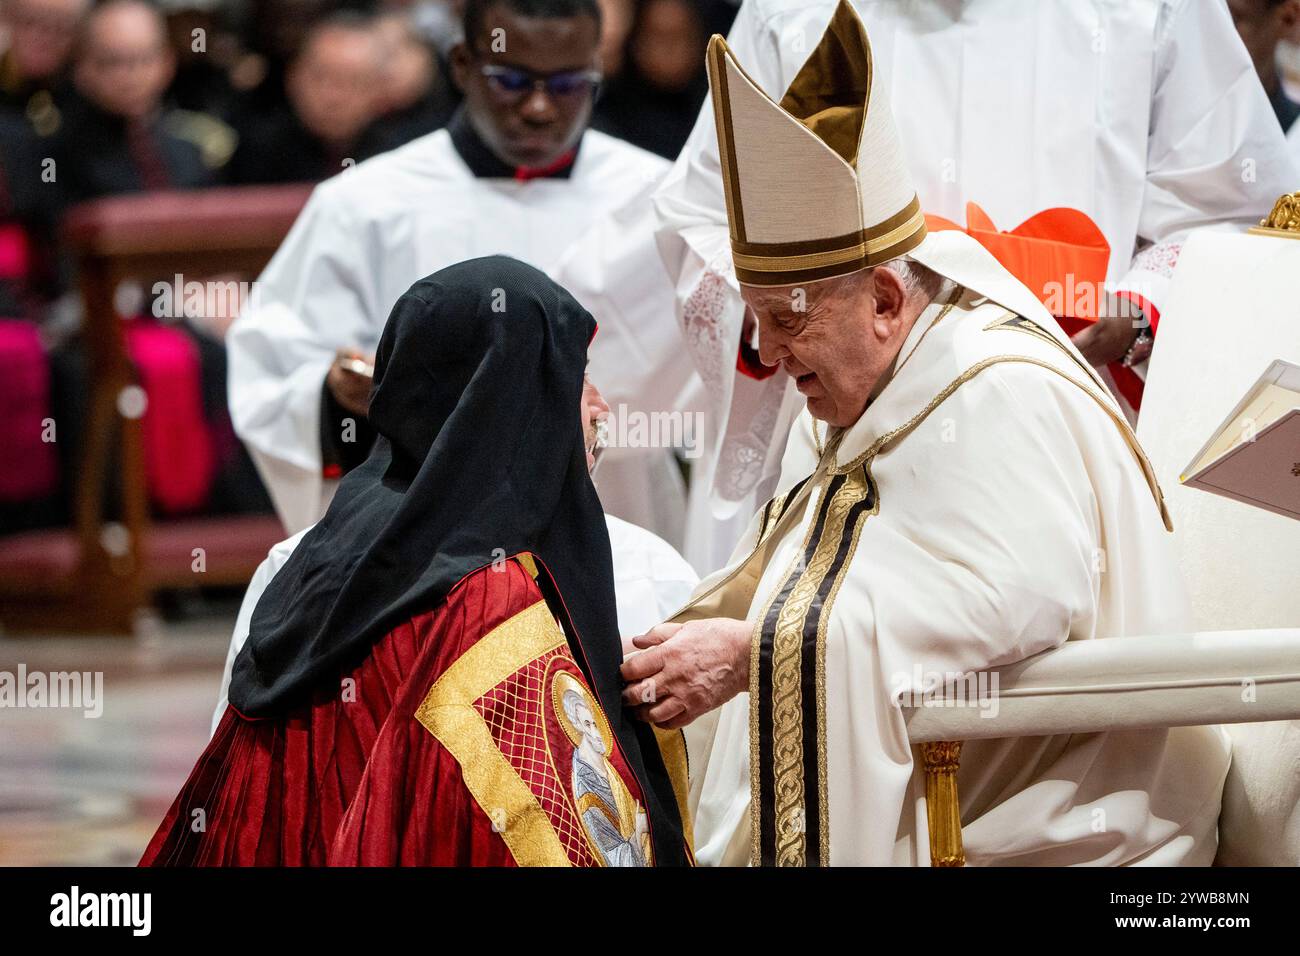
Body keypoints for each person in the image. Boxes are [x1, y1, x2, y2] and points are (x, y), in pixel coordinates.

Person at [620, 2, 1229, 866]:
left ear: (885, 299)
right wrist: (688, 627)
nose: (769, 350)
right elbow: (801, 564)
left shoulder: (992, 388)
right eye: (758, 320)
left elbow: (1019, 600)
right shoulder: (849, 384)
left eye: (787, 317)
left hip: (1046, 816)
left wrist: (754, 652)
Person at [654, 0, 1299, 571]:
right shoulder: (790, 11)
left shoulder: (1151, 10)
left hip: (1065, 408)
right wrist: (802, 313)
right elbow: (703, 215)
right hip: (846, 431)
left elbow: (1230, 212)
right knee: (853, 669)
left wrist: (1135, 316)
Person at [142, 257, 693, 867]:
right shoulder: (493, 601)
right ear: (512, 398)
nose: (600, 408)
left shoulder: (301, 562)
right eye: (574, 376)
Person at [227, 0, 698, 549]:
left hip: (615, 533)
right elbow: (274, 370)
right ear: (461, 64)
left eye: (570, 83)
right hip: (423, 553)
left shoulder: (660, 198)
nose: (540, 108)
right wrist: (336, 396)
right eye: (512, 81)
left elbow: (716, 379)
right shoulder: (364, 203)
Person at [226, 11, 387, 184]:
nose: (333, 97)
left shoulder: (398, 155)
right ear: (293, 77)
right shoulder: (254, 151)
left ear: (380, 88)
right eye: (320, 77)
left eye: (352, 81)